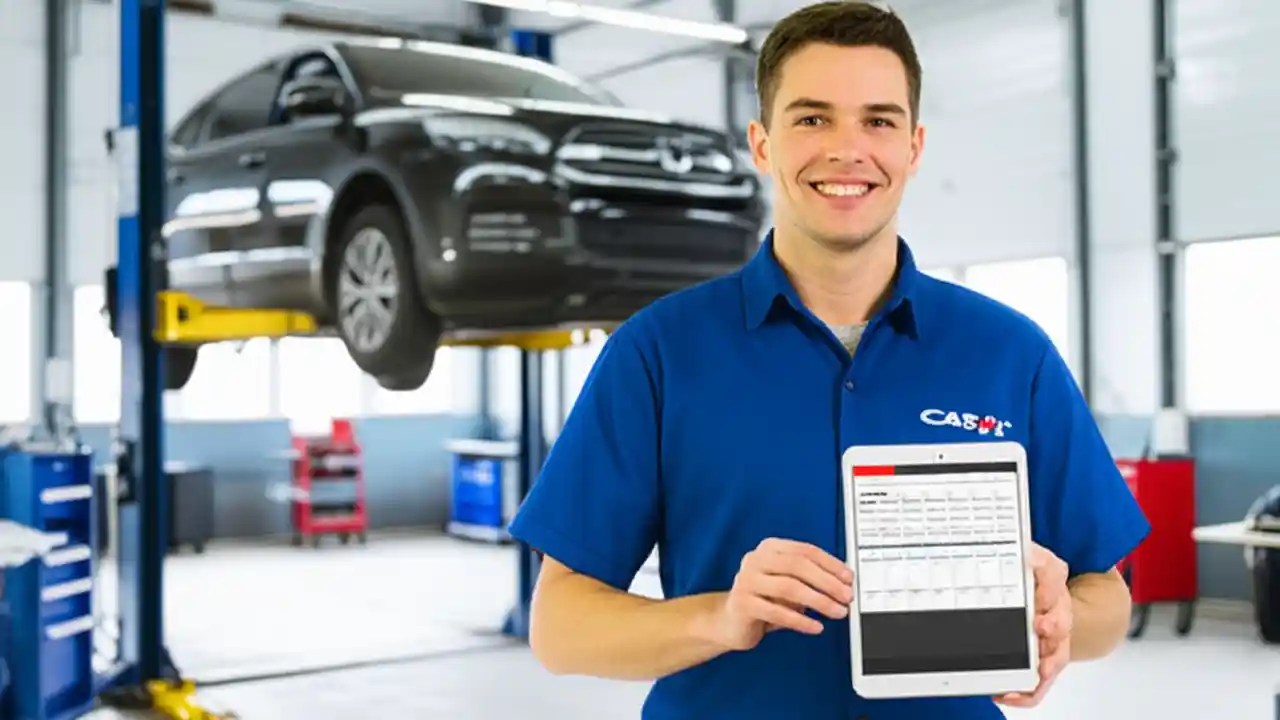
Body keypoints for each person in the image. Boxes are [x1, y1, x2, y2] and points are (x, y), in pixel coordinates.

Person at [507, 1, 1151, 718]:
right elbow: (560, 626)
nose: (848, 149)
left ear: (915, 146)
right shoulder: (658, 354)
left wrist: (1058, 621)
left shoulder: (1009, 353)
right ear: (761, 143)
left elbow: (1108, 601)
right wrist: (720, 617)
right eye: (812, 118)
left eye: (878, 120)